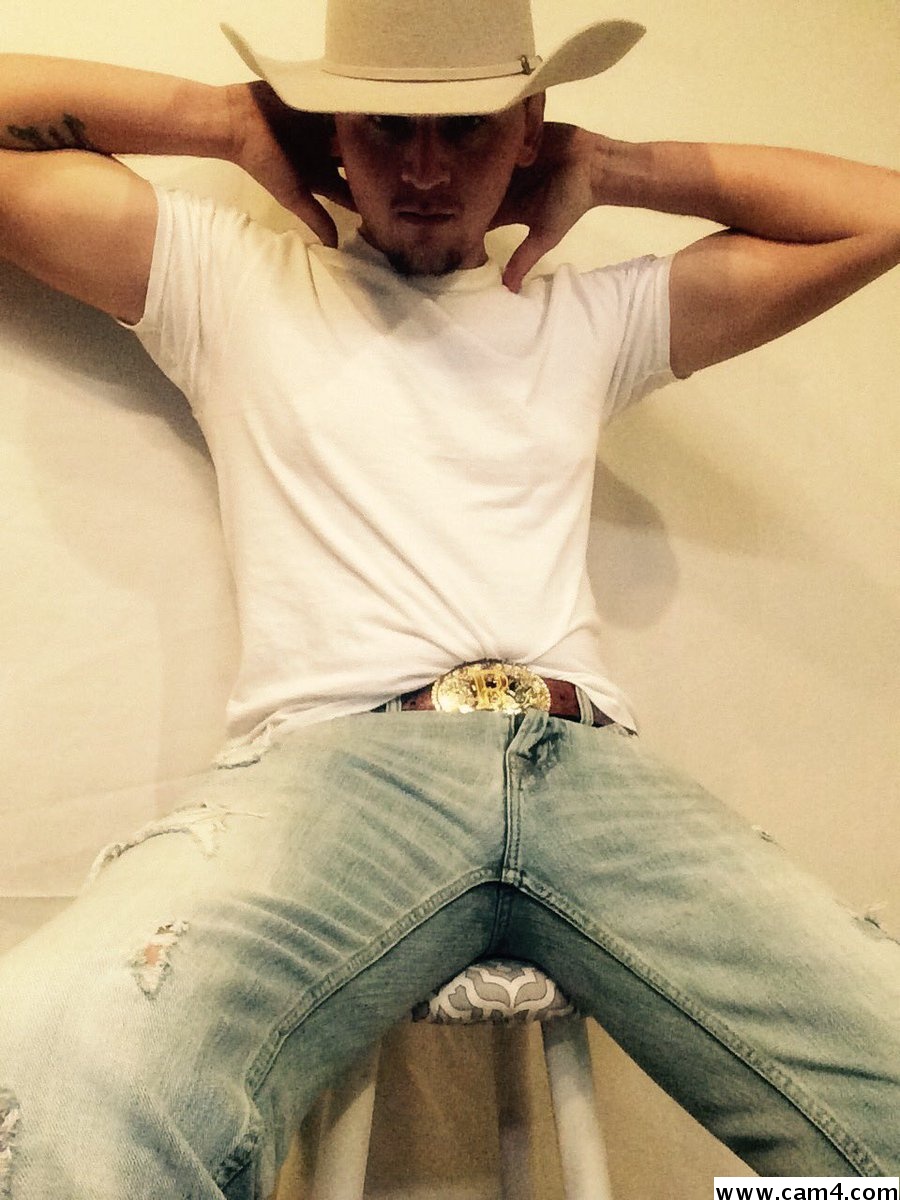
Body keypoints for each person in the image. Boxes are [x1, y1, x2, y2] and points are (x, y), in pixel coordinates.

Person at [0, 0, 898, 1194]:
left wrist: (612, 168)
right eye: (385, 126)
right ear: (329, 130)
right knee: (64, 1060)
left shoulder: (593, 317)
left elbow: (882, 210)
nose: (424, 171)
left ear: (530, 127)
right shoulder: (229, 280)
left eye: (467, 128)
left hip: (591, 771)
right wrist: (221, 120)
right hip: (342, 772)